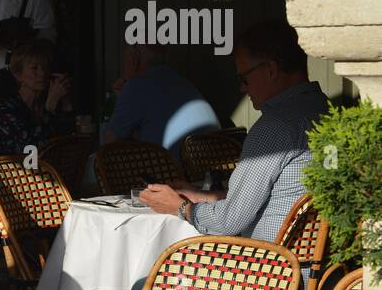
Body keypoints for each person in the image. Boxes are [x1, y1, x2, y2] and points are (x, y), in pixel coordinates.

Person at [140, 21, 330, 241]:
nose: (242, 88)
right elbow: (278, 194)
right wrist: (202, 197)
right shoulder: (326, 110)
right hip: (321, 264)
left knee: (156, 272)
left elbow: (229, 222)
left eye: (244, 78)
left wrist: (181, 208)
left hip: (270, 267)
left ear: (270, 69)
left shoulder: (276, 126)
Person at [106, 43, 220, 159]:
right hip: (210, 170)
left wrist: (122, 97)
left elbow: (110, 144)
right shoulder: (182, 83)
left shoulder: (135, 86)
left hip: (172, 173)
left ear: (133, 61)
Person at [0, 41, 75, 155]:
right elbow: (30, 149)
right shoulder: (5, 107)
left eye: (45, 67)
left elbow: (68, 139)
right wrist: (50, 107)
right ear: (18, 74)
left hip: (51, 167)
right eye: (34, 68)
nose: (42, 73)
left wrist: (66, 102)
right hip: (15, 169)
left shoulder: (46, 100)